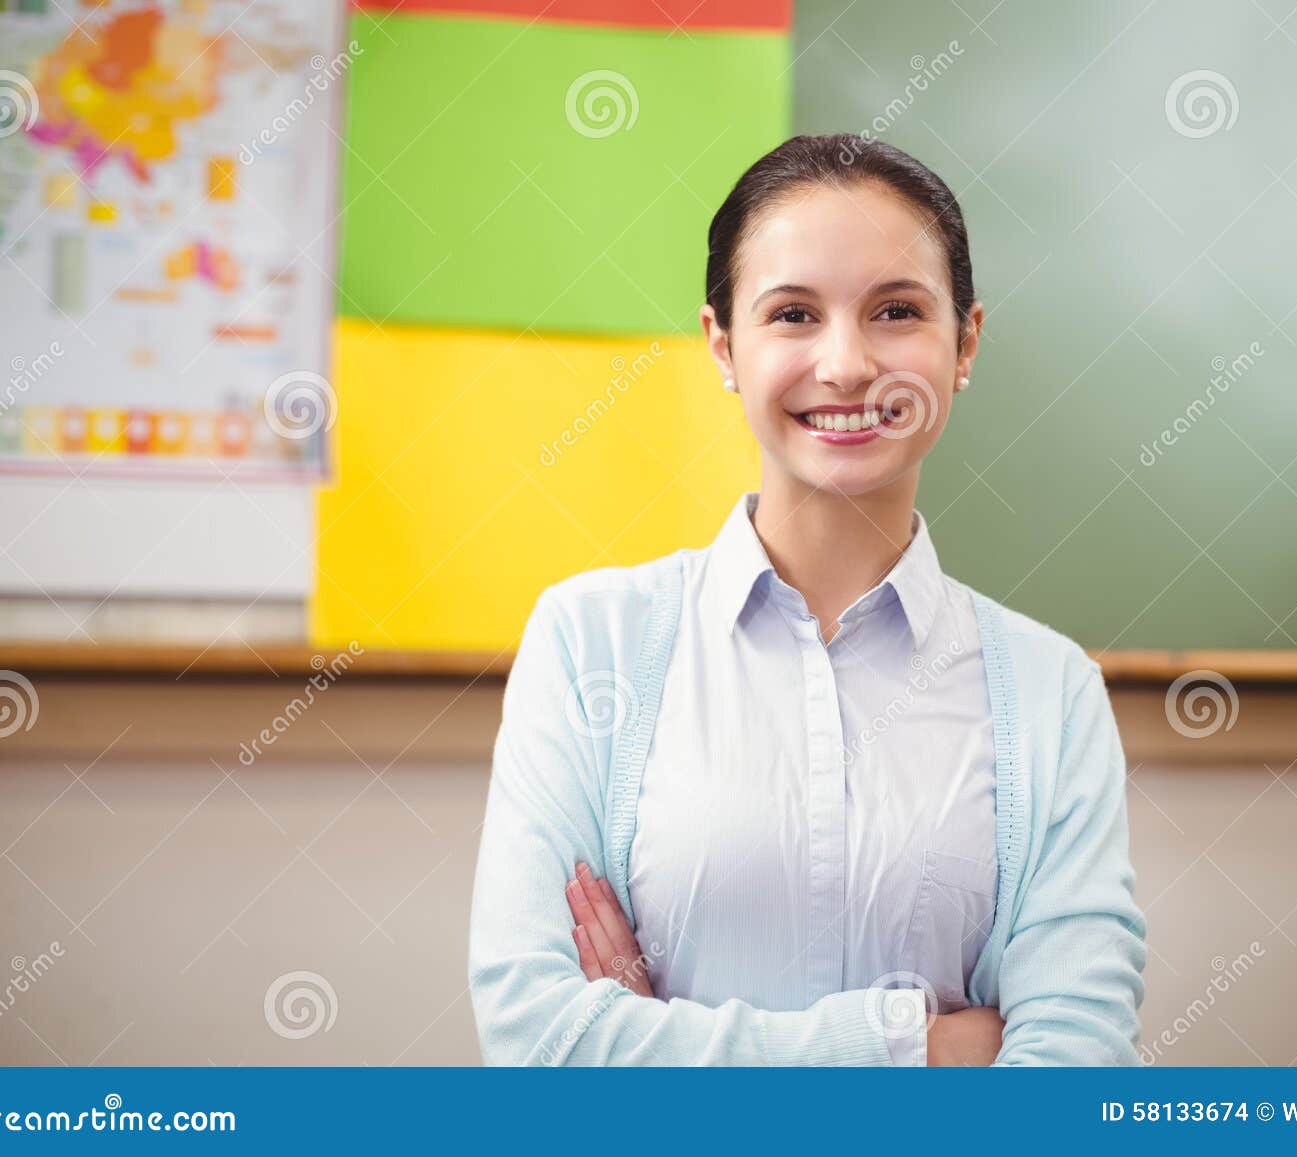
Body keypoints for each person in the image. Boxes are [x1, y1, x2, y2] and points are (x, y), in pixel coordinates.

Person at [468, 134, 1146, 1066]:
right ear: (723, 346)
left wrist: (659, 1040)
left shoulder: (1050, 689)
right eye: (793, 314)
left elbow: (1076, 1074)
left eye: (897, 310)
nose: (847, 365)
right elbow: (542, 1044)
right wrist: (925, 1047)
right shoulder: (591, 643)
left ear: (965, 344)